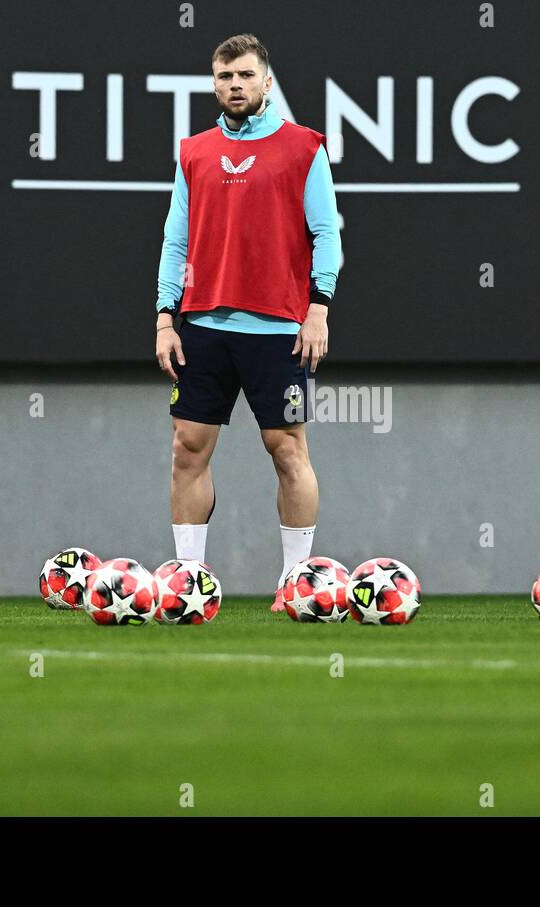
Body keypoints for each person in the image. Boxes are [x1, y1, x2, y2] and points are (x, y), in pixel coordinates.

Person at [153, 33, 342, 612]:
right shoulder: (194, 152)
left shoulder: (303, 147)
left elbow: (327, 234)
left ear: (266, 81)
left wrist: (318, 308)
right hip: (203, 327)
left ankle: (295, 583)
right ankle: (188, 582)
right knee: (188, 447)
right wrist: (165, 317)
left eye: (245, 75)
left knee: (286, 448)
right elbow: (175, 240)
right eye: (224, 76)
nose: (234, 85)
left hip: (279, 329)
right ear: (214, 83)